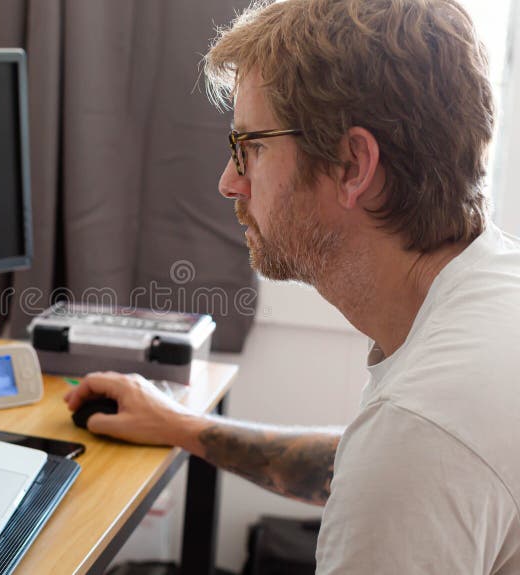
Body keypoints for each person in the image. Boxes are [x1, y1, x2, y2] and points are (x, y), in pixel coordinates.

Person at [64, 0, 520, 572]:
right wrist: (180, 426)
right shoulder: (495, 287)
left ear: (352, 166)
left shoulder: (420, 431)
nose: (229, 182)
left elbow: (399, 456)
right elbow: (356, 462)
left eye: (251, 147)